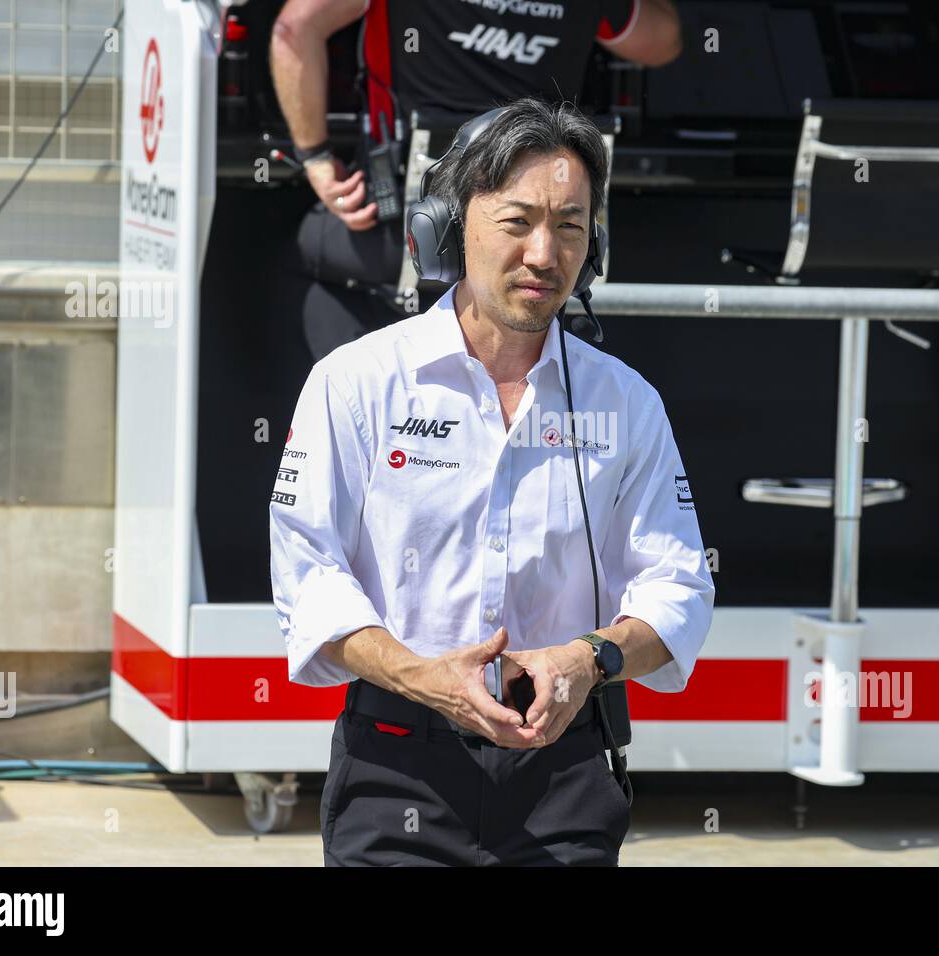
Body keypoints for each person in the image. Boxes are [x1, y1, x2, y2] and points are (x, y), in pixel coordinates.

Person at [269, 98, 714, 866]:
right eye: (517, 222)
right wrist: (423, 676)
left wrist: (590, 660)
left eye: (570, 226)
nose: (545, 254)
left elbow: (679, 585)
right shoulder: (355, 383)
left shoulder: (627, 403)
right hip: (398, 765)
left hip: (564, 777)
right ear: (448, 228)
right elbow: (307, 573)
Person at [270, 0, 684, 361]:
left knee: (294, 252)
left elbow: (293, 28)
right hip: (543, 251)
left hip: (409, 229)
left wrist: (318, 160)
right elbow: (663, 39)